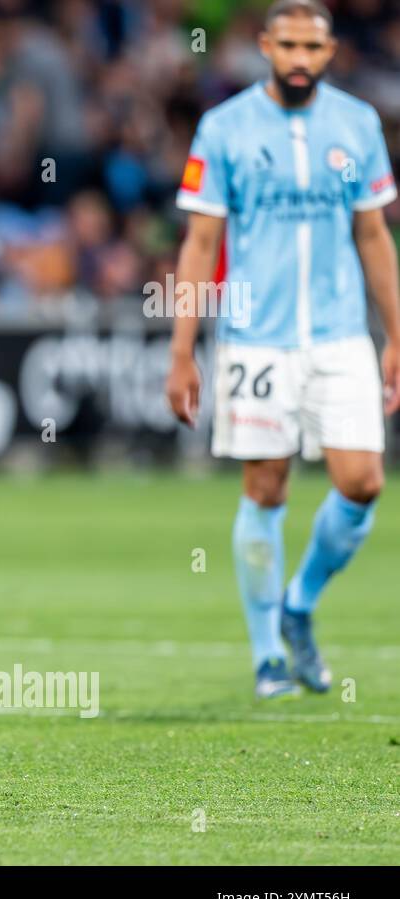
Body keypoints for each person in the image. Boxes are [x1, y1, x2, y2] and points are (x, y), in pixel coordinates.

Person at [166, 0, 400, 699]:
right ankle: (269, 653)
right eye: (288, 44)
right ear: (265, 44)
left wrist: (395, 332)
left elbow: (372, 236)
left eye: (314, 47)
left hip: (338, 334)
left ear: (331, 52)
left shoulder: (357, 124)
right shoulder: (225, 125)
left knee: (362, 482)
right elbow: (201, 242)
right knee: (265, 485)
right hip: (256, 339)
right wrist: (183, 351)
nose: (301, 58)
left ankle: (299, 605)